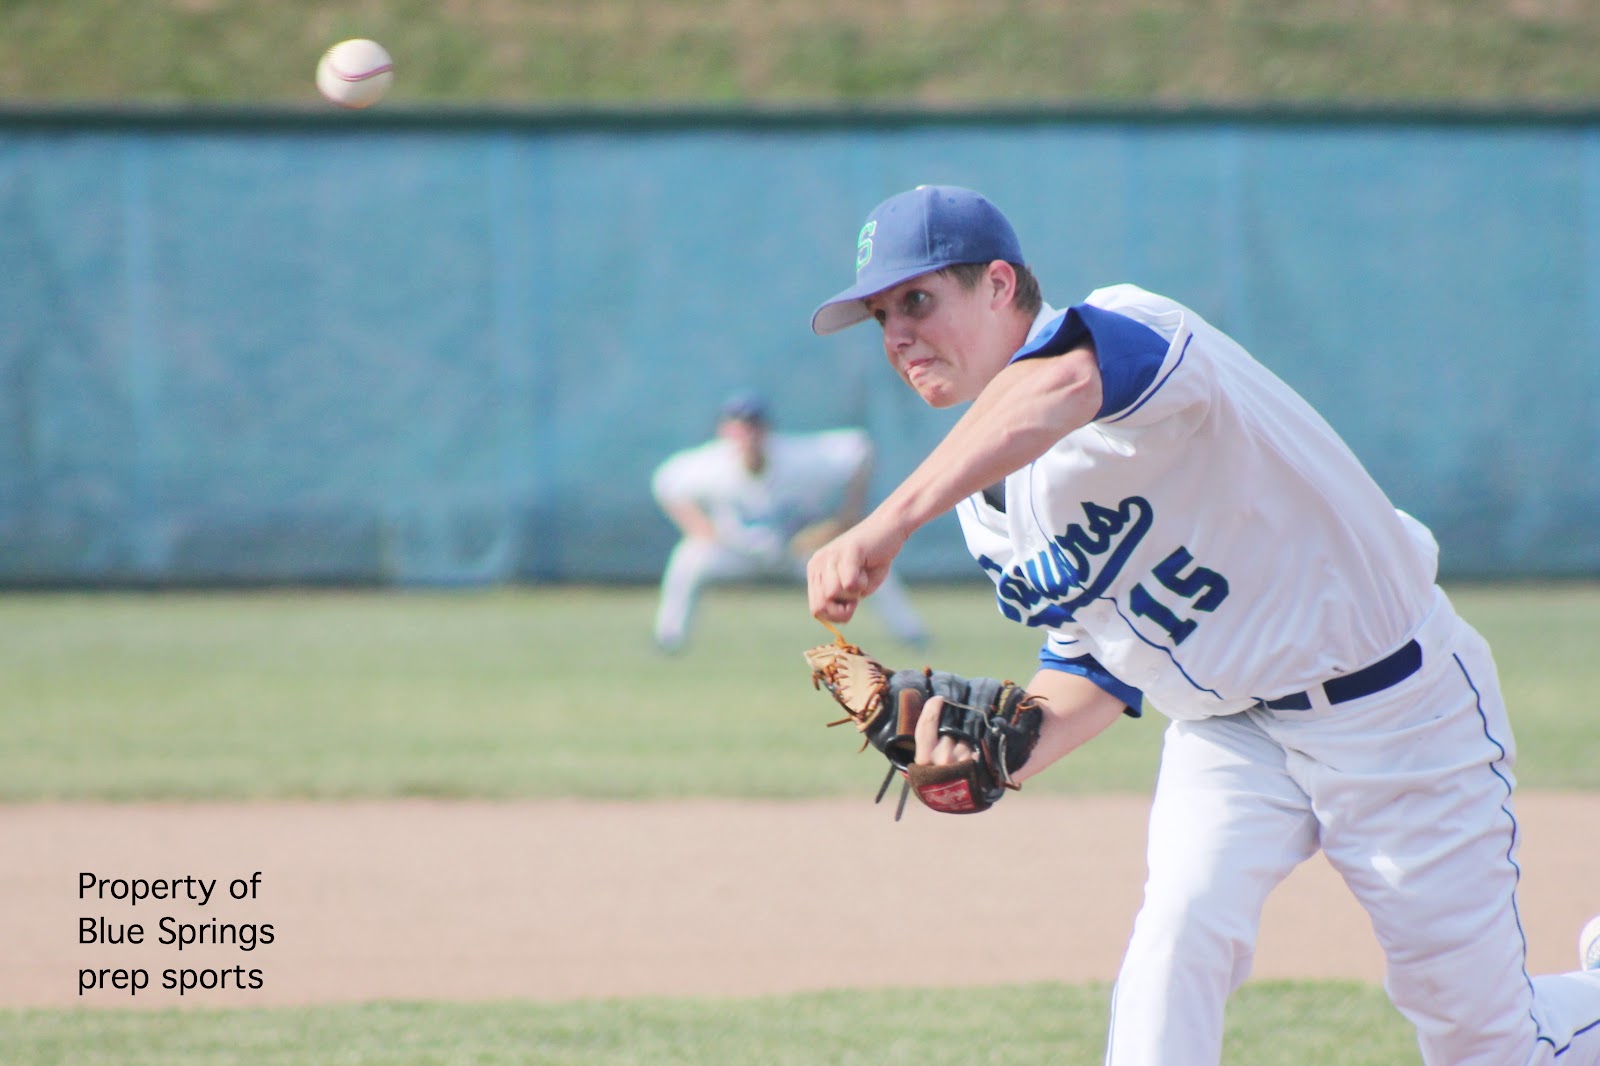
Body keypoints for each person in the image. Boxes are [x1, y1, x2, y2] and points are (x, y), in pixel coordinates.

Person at [804, 184, 1600, 1065]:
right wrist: (998, 755)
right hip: (1229, 730)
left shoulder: (1123, 328)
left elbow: (1063, 384)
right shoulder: (983, 506)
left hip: (1395, 707)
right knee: (1177, 936)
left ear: (999, 285)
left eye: (917, 300)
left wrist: (887, 522)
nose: (897, 334)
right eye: (881, 315)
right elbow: (1098, 660)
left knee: (1487, 1047)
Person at [651, 391, 928, 654]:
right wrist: (699, 527)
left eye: (753, 426)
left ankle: (910, 633)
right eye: (738, 427)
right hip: (738, 551)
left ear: (767, 430)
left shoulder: (797, 459)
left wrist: (847, 518)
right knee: (689, 557)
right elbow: (665, 482)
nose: (747, 435)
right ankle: (669, 638)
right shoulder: (711, 465)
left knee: (863, 561)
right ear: (724, 432)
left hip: (798, 551)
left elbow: (859, 451)